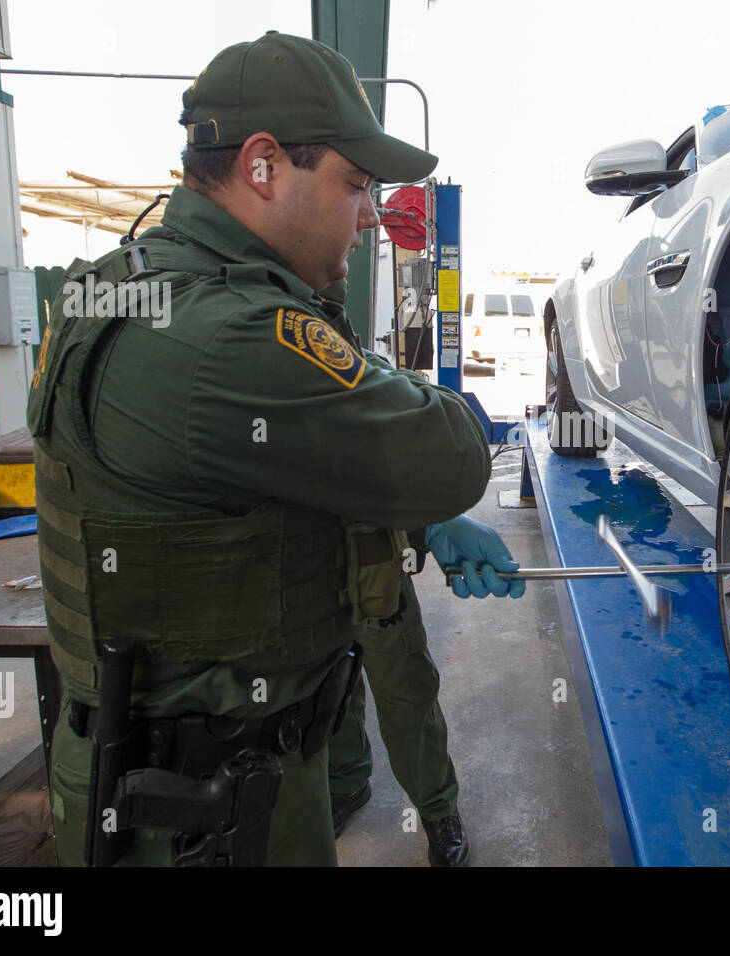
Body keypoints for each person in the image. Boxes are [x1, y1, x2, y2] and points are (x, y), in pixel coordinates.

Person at [27, 31, 522, 866]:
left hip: (201, 778)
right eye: (355, 185)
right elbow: (450, 451)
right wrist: (430, 435)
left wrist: (425, 526)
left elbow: (284, 464)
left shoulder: (140, 283)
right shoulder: (225, 337)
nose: (370, 213)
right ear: (263, 165)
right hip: (203, 811)